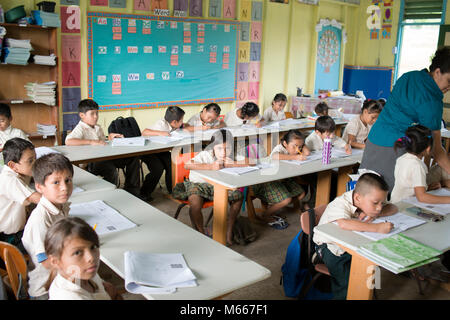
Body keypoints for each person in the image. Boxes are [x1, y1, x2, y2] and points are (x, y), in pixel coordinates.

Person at [361, 47, 450, 192]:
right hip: (395, 149)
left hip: (375, 139)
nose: (449, 87)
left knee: (364, 194)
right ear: (438, 71)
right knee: (384, 200)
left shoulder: (410, 76)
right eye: (449, 81)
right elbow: (436, 150)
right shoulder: (431, 99)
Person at [313, 173, 398, 300]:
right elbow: (344, 223)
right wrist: (377, 228)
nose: (379, 207)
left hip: (352, 244)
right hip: (330, 248)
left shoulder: (370, 197)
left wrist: (374, 214)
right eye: (375, 203)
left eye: (381, 202)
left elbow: (393, 208)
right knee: (347, 283)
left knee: (367, 272)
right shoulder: (340, 203)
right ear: (357, 198)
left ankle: (363, 294)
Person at [172, 129, 247, 245]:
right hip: (198, 185)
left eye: (227, 148)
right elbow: (188, 165)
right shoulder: (205, 155)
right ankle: (202, 233)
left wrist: (234, 164)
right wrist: (211, 166)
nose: (223, 153)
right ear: (212, 147)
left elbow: (251, 162)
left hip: (218, 187)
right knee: (195, 202)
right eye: (219, 149)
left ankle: (229, 229)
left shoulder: (233, 156)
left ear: (232, 147)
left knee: (238, 196)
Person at [22, 153, 74, 299]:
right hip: (46, 289)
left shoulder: (60, 207)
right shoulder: (40, 219)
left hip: (60, 278)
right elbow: (46, 262)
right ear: (39, 187)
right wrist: (77, 269)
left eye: (68, 180)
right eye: (56, 182)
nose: (64, 187)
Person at [65, 99, 140, 196]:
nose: (96, 117)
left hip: (105, 157)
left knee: (133, 157)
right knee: (110, 169)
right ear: (82, 115)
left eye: (97, 113)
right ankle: (109, 194)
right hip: (92, 162)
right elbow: (69, 141)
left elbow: (102, 143)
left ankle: (132, 191)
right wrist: (91, 142)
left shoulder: (97, 127)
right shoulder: (80, 128)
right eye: (92, 114)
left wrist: (110, 138)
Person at [45, 217, 122, 300]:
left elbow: (109, 289)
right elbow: (113, 292)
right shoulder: (69, 297)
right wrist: (113, 296)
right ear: (55, 261)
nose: (91, 257)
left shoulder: (84, 273)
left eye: (93, 247)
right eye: (77, 252)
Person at [247, 130, 311, 229]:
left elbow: (307, 152)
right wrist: (295, 157)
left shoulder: (296, 148)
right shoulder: (280, 148)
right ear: (285, 143)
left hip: (282, 179)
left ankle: (278, 206)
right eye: (294, 146)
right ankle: (266, 214)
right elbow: (275, 156)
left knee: (301, 193)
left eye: (299, 146)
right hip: (266, 181)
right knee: (287, 199)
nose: (297, 149)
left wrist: (300, 145)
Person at [390, 125, 450, 204]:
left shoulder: (402, 158)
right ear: (428, 148)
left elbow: (408, 186)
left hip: (395, 202)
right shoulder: (417, 166)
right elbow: (422, 197)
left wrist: (426, 188)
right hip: (405, 205)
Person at [0, 138, 40, 253]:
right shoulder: (9, 179)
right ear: (13, 165)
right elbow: (36, 198)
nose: (35, 164)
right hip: (9, 240)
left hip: (16, 232)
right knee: (53, 243)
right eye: (30, 161)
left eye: (35, 158)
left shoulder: (20, 171)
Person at [140, 106, 187, 201]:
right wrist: (161, 133)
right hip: (147, 151)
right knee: (158, 168)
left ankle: (172, 190)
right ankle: (144, 193)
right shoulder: (161, 125)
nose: (182, 122)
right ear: (174, 122)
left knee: (172, 163)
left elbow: (181, 128)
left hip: (160, 150)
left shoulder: (173, 124)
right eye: (181, 120)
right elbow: (144, 132)